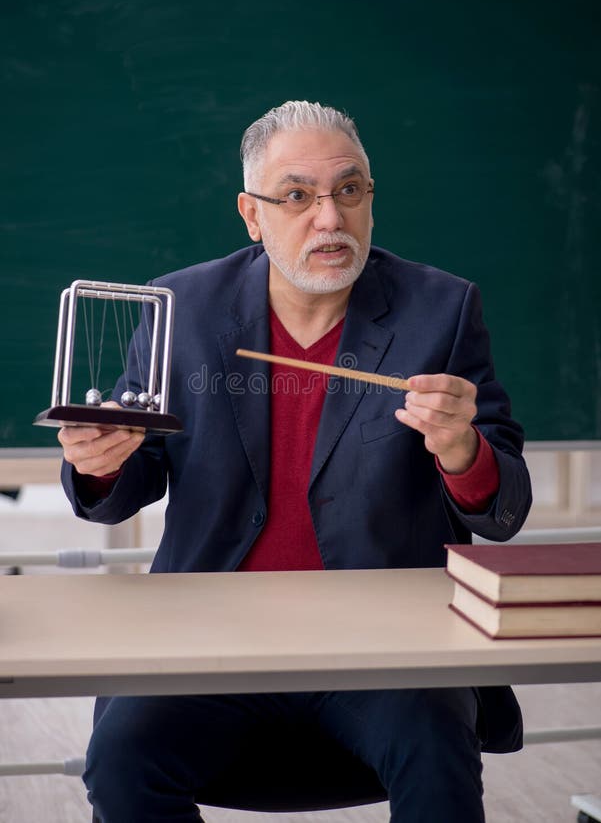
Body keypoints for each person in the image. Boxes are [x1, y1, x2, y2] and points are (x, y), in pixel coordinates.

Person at [59, 100, 532, 823]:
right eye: (297, 196)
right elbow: (125, 484)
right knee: (122, 758)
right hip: (208, 637)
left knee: (435, 749)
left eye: (349, 191)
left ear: (370, 198)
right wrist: (101, 461)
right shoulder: (179, 306)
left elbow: (504, 510)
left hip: (386, 644)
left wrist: (462, 450)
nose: (329, 218)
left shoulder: (440, 310)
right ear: (251, 214)